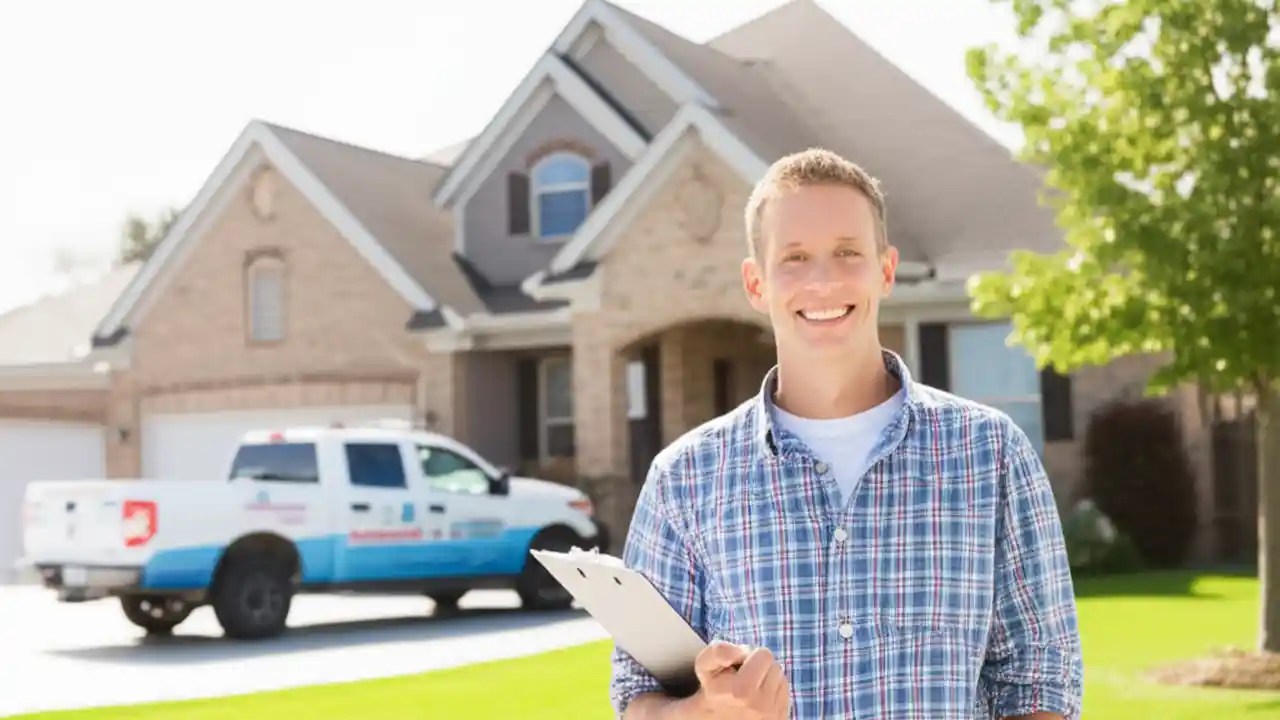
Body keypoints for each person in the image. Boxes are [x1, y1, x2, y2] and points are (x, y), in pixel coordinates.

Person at [609, 148, 1084, 719]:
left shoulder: (991, 454)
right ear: (756, 284)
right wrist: (703, 713)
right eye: (795, 257)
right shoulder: (685, 478)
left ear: (885, 270)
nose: (824, 280)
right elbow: (636, 697)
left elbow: (1040, 682)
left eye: (847, 253)